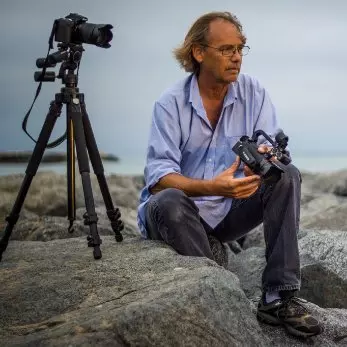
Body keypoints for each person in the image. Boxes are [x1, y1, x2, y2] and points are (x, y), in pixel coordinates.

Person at [137, 11, 322, 338]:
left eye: (241, 48)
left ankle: (279, 297)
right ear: (199, 52)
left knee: (286, 174)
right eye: (226, 50)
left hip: (226, 214)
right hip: (178, 214)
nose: (237, 57)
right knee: (168, 201)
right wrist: (213, 187)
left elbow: (269, 146)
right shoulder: (169, 105)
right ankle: (220, 293)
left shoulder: (254, 93)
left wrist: (265, 159)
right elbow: (159, 179)